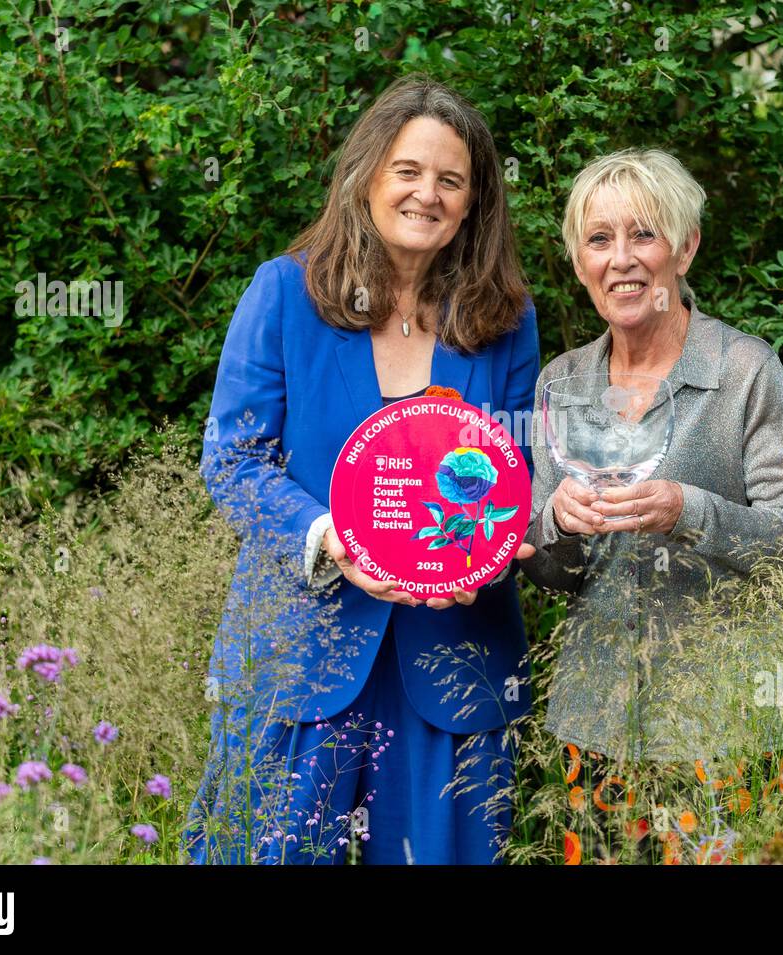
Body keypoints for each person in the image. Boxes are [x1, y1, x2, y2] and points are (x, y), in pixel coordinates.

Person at [184, 74, 539, 865]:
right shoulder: (284, 293)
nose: (427, 194)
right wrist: (327, 536)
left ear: (475, 202)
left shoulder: (506, 320)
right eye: (408, 171)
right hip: (297, 652)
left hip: (454, 654)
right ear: (367, 175)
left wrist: (506, 538)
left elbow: (521, 466)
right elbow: (234, 459)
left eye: (452, 180)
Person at [519, 149, 783, 859]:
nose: (621, 259)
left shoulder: (743, 369)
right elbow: (548, 570)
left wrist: (689, 509)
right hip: (594, 725)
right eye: (599, 239)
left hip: (725, 728)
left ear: (685, 247)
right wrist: (559, 524)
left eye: (645, 234)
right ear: (577, 261)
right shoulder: (561, 383)